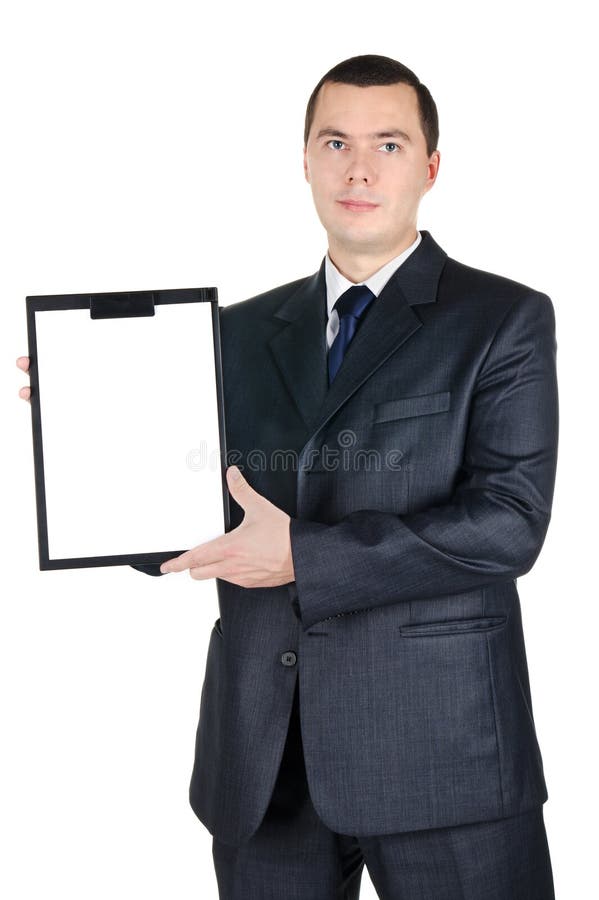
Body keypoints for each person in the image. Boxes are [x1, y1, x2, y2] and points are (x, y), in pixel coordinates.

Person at [18, 55, 558, 899]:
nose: (358, 166)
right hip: (264, 765)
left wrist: (305, 555)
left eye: (388, 142)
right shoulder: (231, 333)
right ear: (304, 159)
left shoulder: (502, 321)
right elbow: (179, 520)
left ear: (430, 167)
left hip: (440, 755)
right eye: (335, 141)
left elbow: (507, 522)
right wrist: (94, 431)